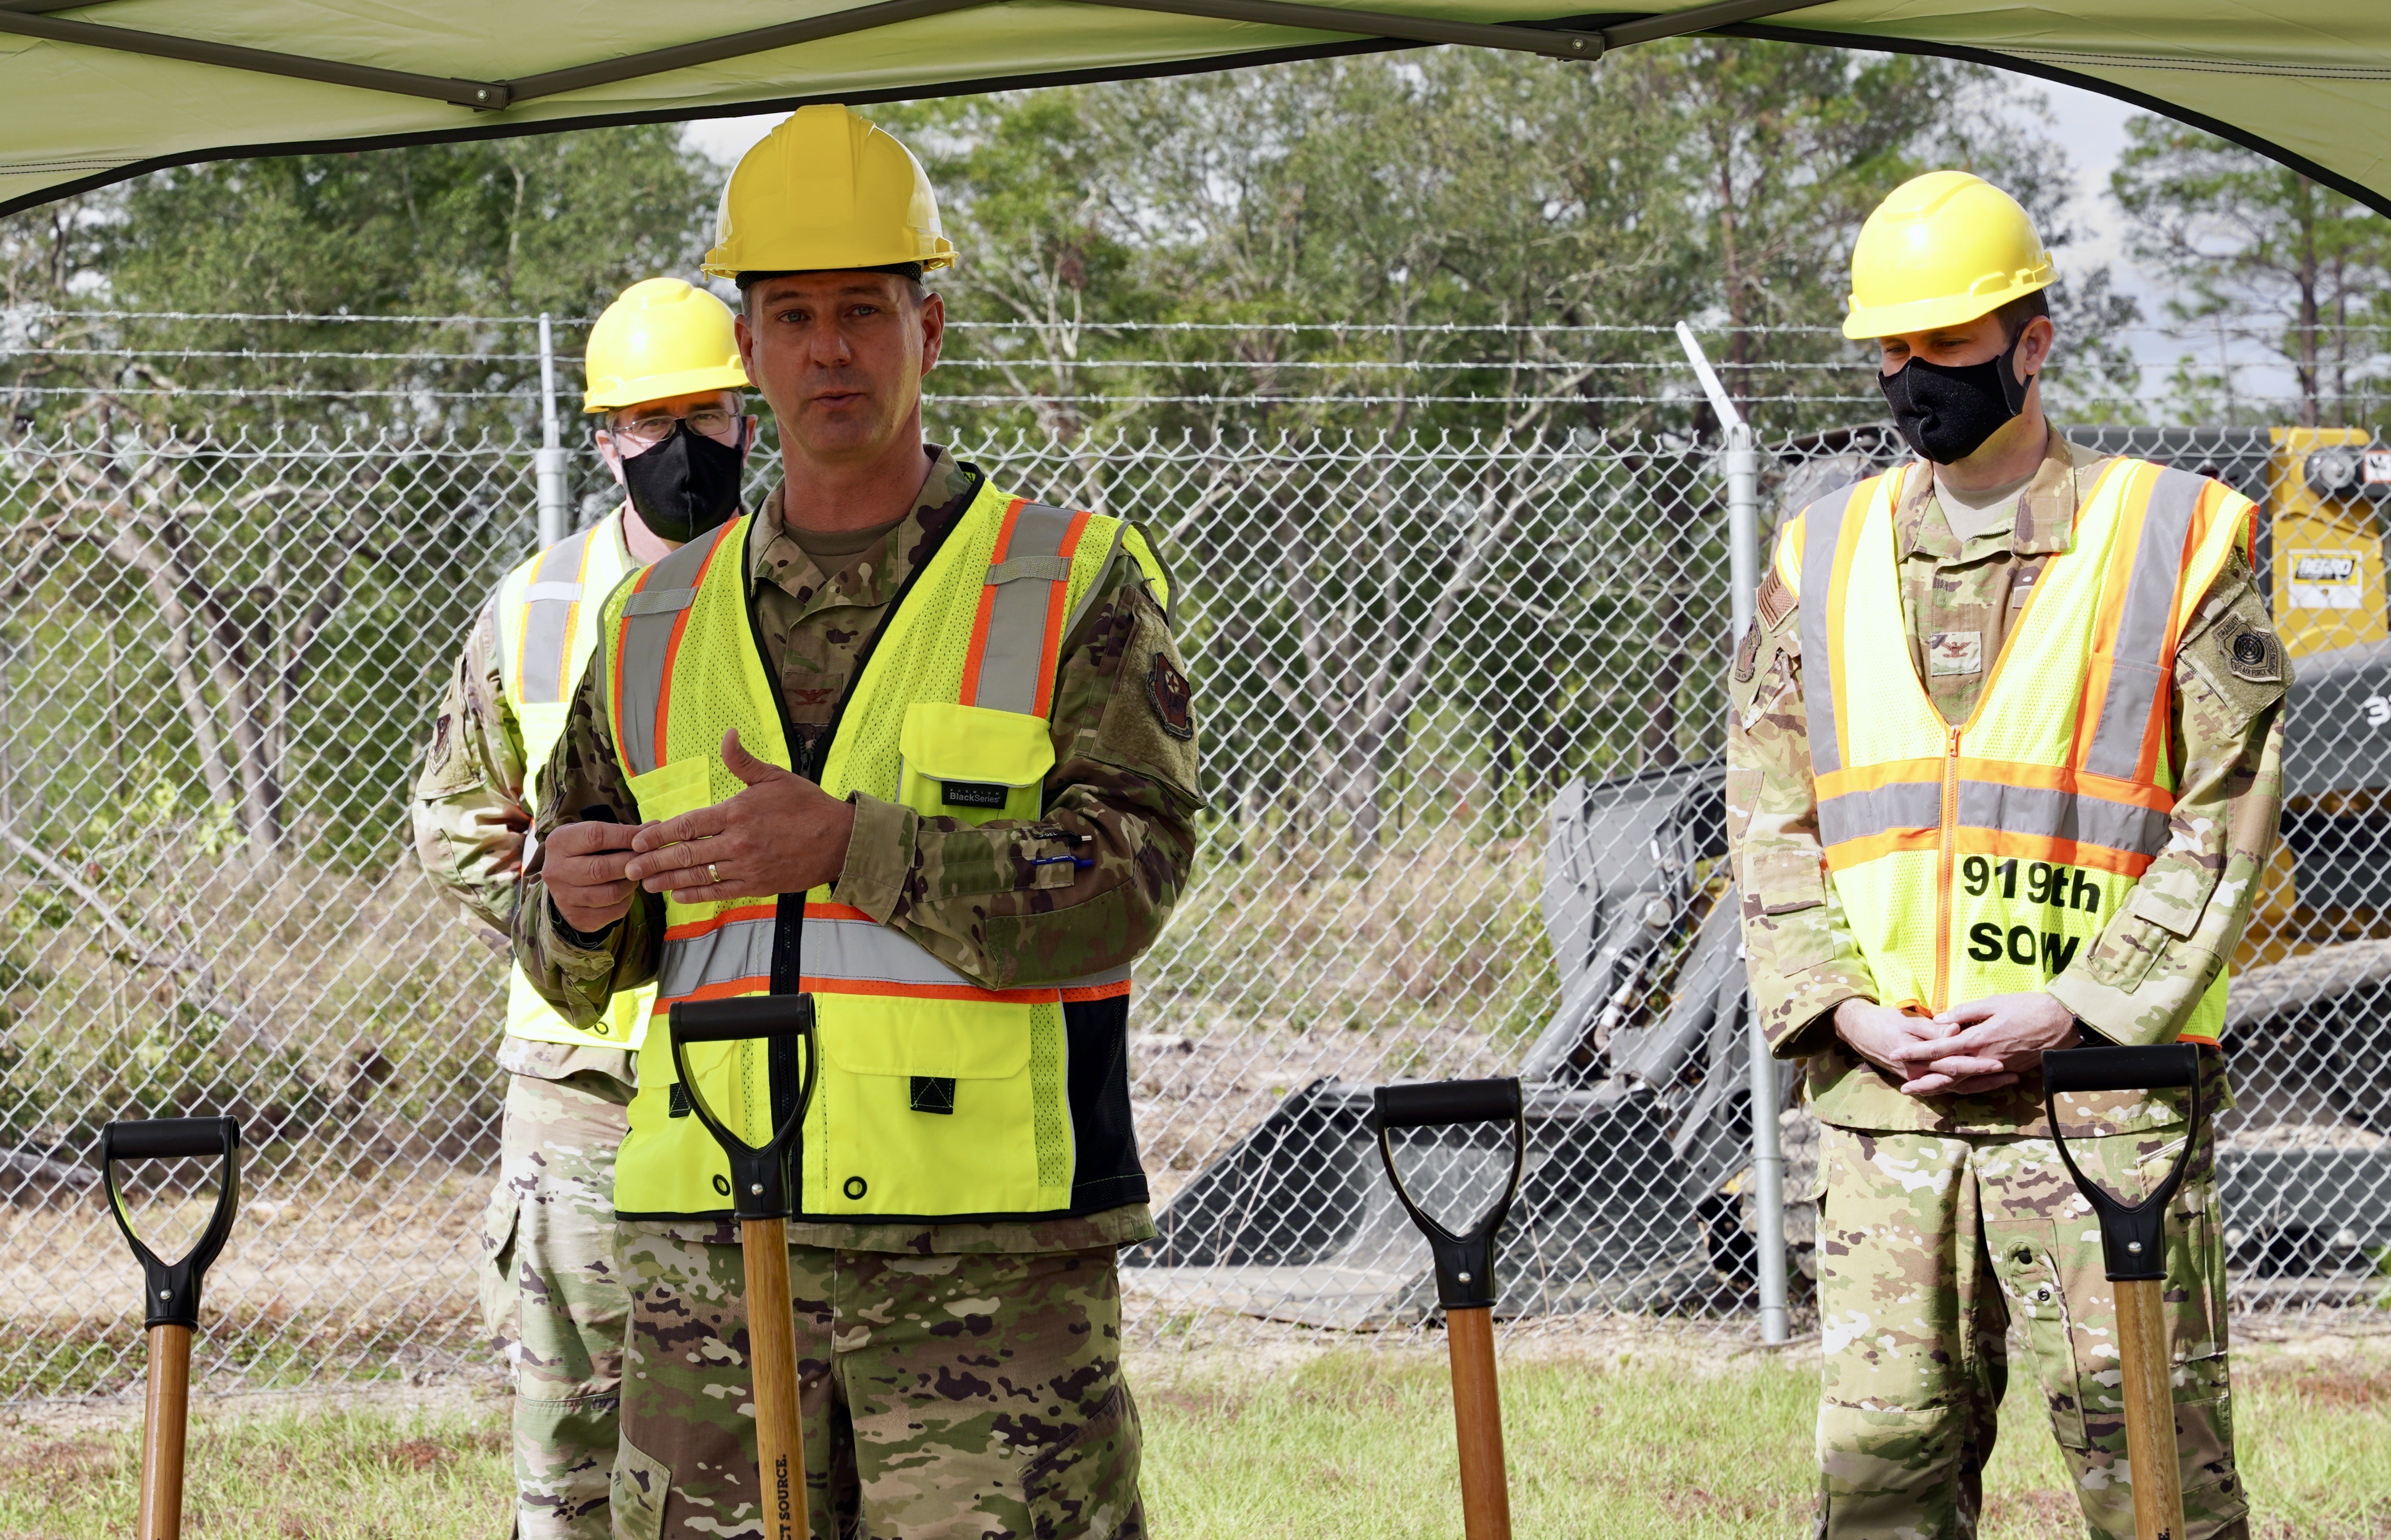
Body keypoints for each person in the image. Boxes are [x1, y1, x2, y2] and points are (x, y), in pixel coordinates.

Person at [512, 104, 1201, 1540]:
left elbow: (1124, 879)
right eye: (795, 315)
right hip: (708, 1261)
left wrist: (848, 846)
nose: (831, 348)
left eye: (864, 312)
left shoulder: (1069, 582)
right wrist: (574, 910)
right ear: (749, 353)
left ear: (928, 333)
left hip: (982, 1281)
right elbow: (578, 941)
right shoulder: (651, 623)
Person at [1728, 170, 2282, 1540]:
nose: (1910, 377)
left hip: (2104, 1105)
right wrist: (1846, 1009)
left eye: (1946, 347)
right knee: (1878, 1499)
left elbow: (2225, 812)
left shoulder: (2181, 533)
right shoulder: (1817, 552)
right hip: (1887, 1112)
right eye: (1889, 349)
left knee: (2158, 1493)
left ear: (2031, 343)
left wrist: (2073, 1011)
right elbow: (1768, 815)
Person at [412, 276, 755, 1539]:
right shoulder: (536, 606)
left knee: (746, 1434)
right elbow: (453, 816)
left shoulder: (810, 598)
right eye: (648, 420)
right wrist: (550, 900)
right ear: (605, 437)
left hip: (769, 1064)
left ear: (747, 421)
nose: (682, 447)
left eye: (707, 413)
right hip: (584, 1086)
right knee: (571, 1449)